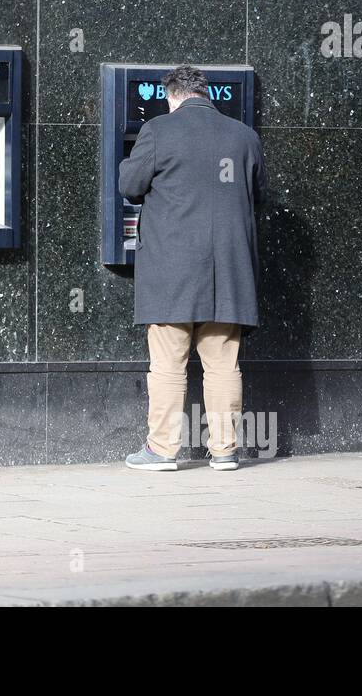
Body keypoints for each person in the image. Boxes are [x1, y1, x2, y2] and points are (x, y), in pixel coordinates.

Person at [118, 65, 266, 472]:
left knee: (168, 363)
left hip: (173, 271)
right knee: (223, 365)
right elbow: (257, 194)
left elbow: (129, 186)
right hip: (229, 272)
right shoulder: (244, 136)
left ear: (172, 96)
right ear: (207, 95)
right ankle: (225, 451)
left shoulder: (158, 130)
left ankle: (162, 451)